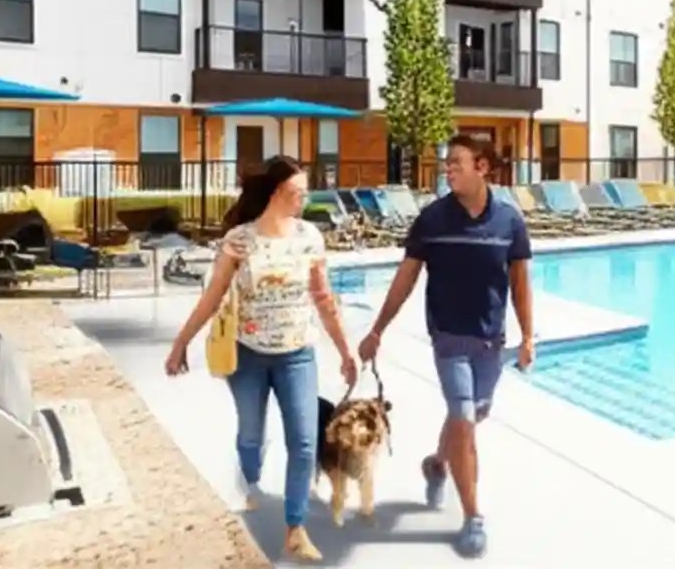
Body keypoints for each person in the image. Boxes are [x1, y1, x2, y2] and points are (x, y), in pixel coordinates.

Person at [164, 155, 357, 562]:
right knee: (251, 434)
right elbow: (213, 296)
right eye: (297, 192)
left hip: (298, 354)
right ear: (275, 193)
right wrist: (181, 343)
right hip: (248, 356)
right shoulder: (239, 239)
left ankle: (294, 527)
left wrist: (345, 350)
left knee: (304, 444)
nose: (303, 199)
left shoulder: (310, 237)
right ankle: (250, 473)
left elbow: (323, 298)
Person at [358, 134, 534, 559]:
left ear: (483, 167)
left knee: (474, 413)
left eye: (456, 162)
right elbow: (406, 277)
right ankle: (473, 515)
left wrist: (529, 336)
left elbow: (520, 283)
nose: (447, 169)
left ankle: (437, 464)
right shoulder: (432, 219)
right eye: (446, 163)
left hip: (490, 340)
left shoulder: (510, 222)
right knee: (463, 415)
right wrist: (377, 328)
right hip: (449, 338)